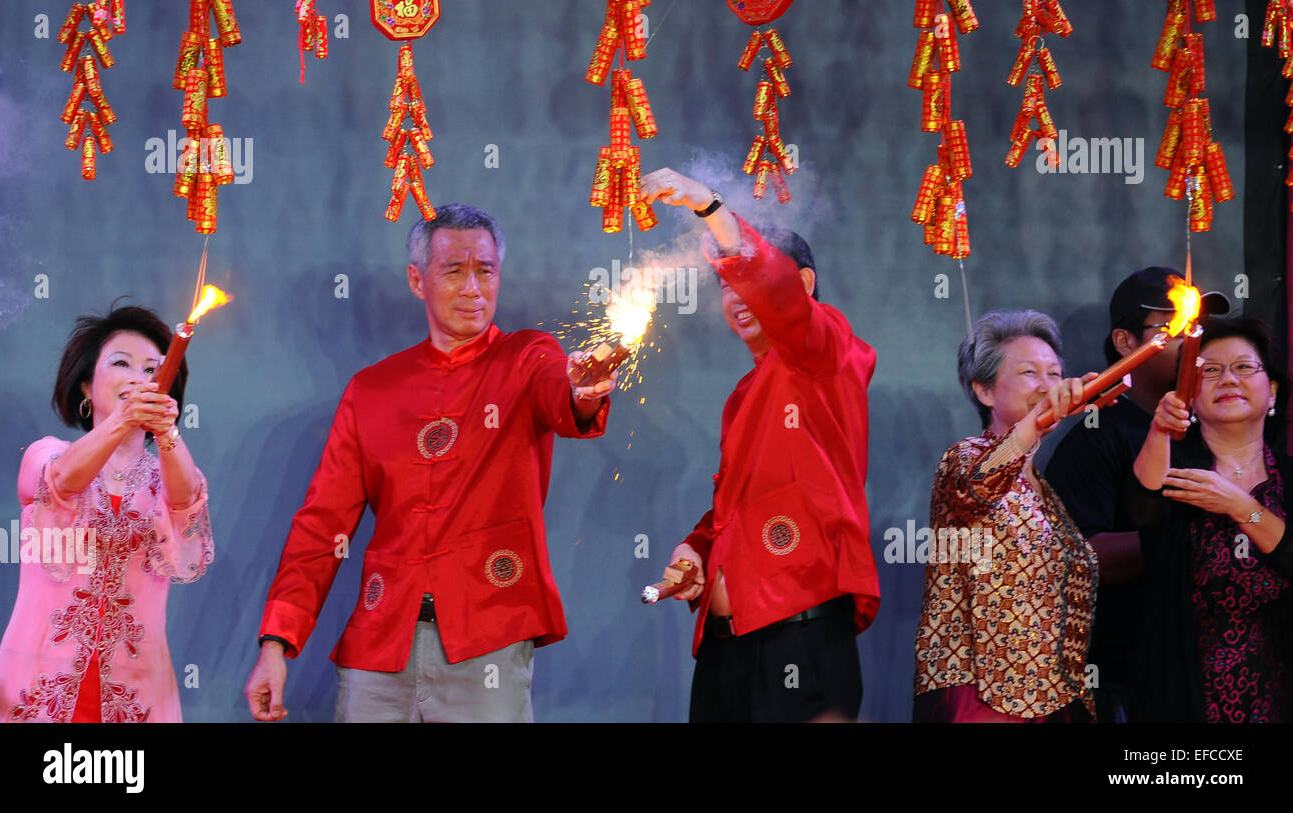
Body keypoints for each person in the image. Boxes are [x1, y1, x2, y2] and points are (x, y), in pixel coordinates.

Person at [244, 204, 617, 723]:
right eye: (454, 271)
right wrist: (276, 641)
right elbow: (321, 525)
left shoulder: (529, 357)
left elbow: (567, 398)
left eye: (485, 270)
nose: (472, 288)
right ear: (417, 280)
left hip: (487, 634)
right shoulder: (371, 390)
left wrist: (585, 392)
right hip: (379, 642)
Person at [639, 168, 879, 723]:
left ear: (805, 286)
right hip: (729, 648)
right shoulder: (745, 393)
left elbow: (779, 298)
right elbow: (739, 507)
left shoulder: (829, 351)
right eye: (725, 283)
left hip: (803, 636)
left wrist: (710, 208)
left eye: (743, 276)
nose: (736, 294)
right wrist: (697, 551)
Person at [0, 303, 213, 723]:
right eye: (122, 363)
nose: (139, 378)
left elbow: (186, 506)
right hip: (38, 688)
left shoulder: (172, 474)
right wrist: (122, 421)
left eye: (153, 370)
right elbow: (59, 482)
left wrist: (166, 432)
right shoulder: (48, 454)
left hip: (139, 694)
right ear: (85, 387)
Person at [1044, 266, 1227, 721]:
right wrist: (1190, 537)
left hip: (1213, 670)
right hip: (1126, 683)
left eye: (1198, 324)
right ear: (1126, 342)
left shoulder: (1217, 426)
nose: (1192, 337)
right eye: (1174, 324)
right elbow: (1082, 557)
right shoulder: (1095, 433)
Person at [914, 309, 1096, 722]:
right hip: (980, 699)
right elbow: (979, 486)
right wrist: (1035, 422)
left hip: (1053, 700)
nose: (1048, 386)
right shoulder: (964, 460)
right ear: (985, 391)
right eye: (1030, 373)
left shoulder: (1046, 492)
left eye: (1055, 374)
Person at [1126, 315, 1293, 722]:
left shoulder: (1290, 478)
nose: (1228, 380)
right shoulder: (1178, 474)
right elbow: (1143, 510)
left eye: (1244, 367)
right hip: (1190, 701)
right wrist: (1161, 431)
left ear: (1271, 392)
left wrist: (1240, 506)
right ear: (1190, 396)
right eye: (1210, 371)